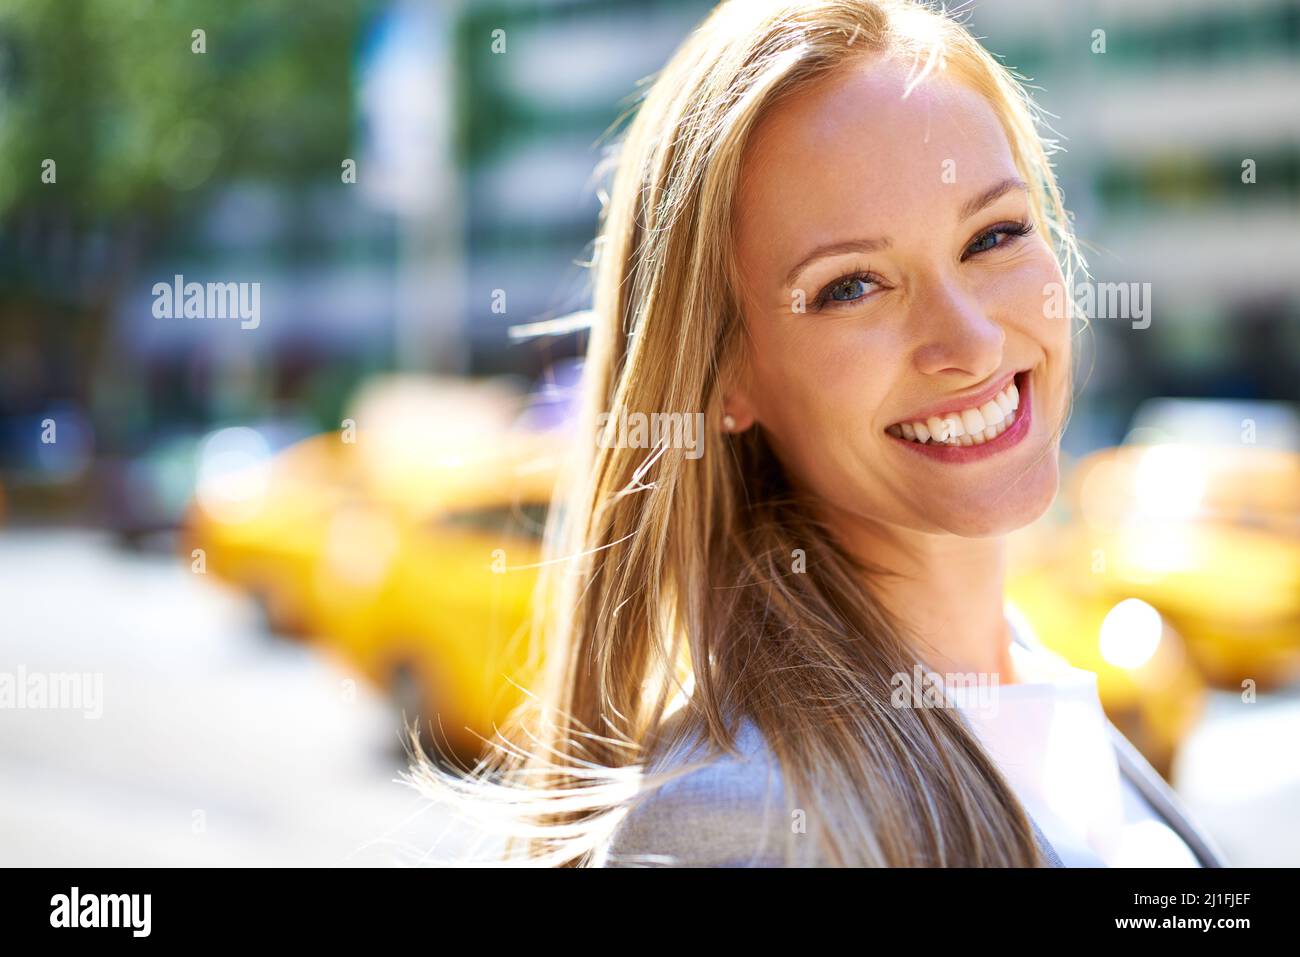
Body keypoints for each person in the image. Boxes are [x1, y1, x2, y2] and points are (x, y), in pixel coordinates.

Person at [408, 0, 1227, 867]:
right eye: (852, 287)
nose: (973, 342)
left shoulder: (1035, 677)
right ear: (725, 375)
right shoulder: (739, 821)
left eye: (994, 234)